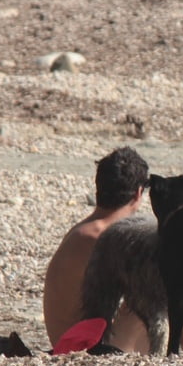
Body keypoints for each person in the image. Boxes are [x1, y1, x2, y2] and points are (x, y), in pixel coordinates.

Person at [43, 146, 153, 354]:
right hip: (83, 350)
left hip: (70, 343)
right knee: (162, 298)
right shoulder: (102, 238)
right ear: (138, 194)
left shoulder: (84, 230)